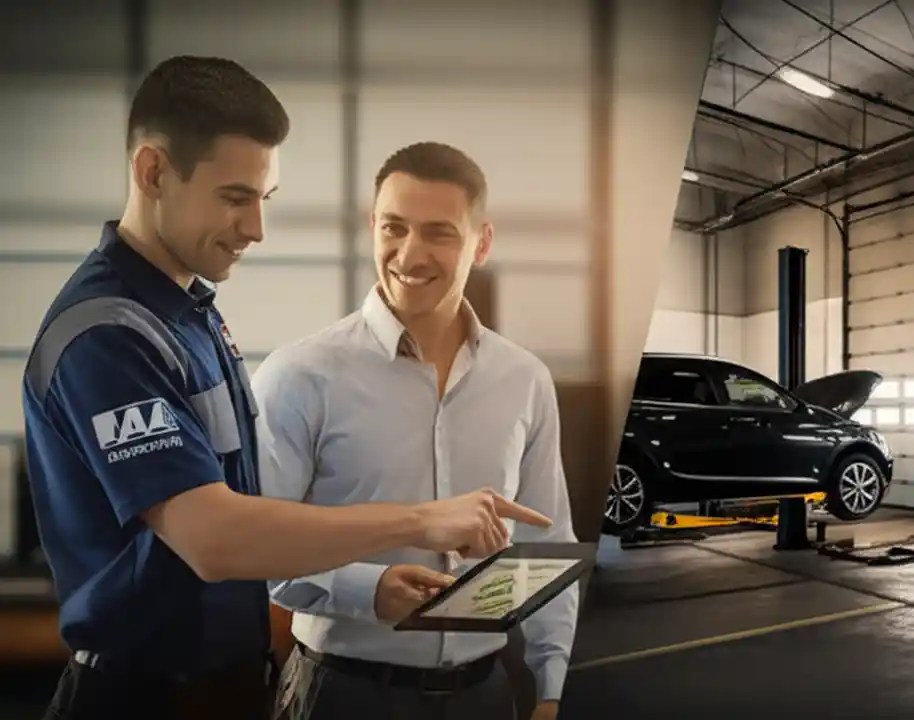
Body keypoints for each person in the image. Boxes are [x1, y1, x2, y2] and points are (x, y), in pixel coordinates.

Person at [20, 57, 551, 720]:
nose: (256, 229)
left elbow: (257, 514)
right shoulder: (106, 335)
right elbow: (215, 540)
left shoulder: (191, 316)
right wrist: (424, 519)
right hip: (143, 696)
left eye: (262, 201)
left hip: (231, 686)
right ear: (153, 172)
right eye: (234, 197)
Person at [253, 141, 580, 720]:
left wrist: (551, 686)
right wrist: (366, 589)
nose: (410, 253)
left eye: (439, 233)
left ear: (482, 243)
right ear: (371, 227)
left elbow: (547, 545)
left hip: (485, 694)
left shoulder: (525, 379)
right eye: (394, 227)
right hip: (342, 694)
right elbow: (255, 552)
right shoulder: (298, 375)